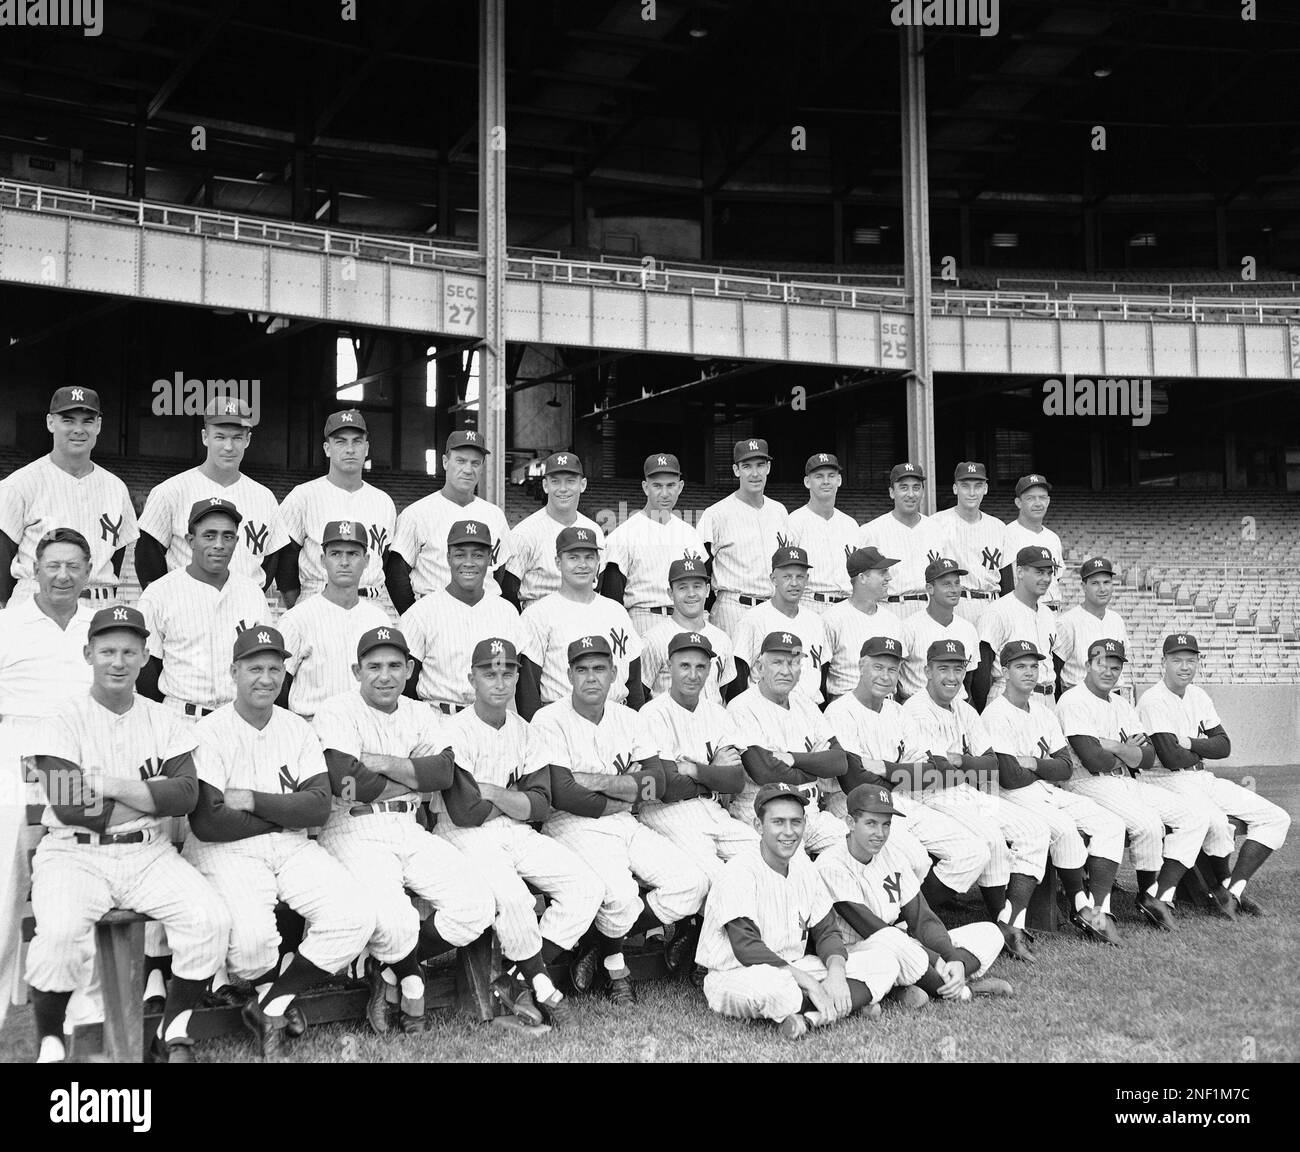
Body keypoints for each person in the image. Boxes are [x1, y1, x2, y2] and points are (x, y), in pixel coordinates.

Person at [24, 604, 230, 1064]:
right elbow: (71, 807)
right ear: (88, 653)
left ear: (144, 657)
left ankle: (172, 1030)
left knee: (209, 918)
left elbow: (185, 796)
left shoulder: (164, 720)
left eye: (129, 652)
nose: (118, 661)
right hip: (73, 855)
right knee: (58, 934)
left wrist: (113, 788)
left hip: (147, 854)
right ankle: (52, 1040)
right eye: (108, 651)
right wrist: (148, 796)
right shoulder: (59, 719)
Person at [183, 625, 374, 1060]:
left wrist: (250, 801)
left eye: (275, 668)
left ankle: (273, 1000)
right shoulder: (209, 730)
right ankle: (264, 987)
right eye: (254, 668)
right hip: (225, 851)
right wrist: (282, 812)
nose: (266, 678)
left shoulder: (297, 728)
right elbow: (209, 821)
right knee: (251, 947)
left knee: (355, 916)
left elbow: (318, 808)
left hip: (289, 848)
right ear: (234, 671)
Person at [311, 626, 496, 1035]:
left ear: (410, 668)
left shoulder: (420, 712)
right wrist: (413, 774)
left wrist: (381, 763)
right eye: (374, 666)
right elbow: (346, 782)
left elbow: (444, 773)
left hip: (407, 826)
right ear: (356, 670)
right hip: (354, 827)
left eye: (395, 665)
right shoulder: (336, 710)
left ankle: (386, 968)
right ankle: (411, 977)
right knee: (397, 922)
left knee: (478, 904)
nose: (385, 675)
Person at [526, 635, 709, 1005]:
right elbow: (564, 794)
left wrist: (598, 783)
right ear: (568, 675)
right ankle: (614, 964)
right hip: (571, 824)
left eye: (599, 669)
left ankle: (600, 941)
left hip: (624, 823)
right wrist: (625, 790)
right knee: (622, 896)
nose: (591, 678)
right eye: (582, 670)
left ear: (613, 674)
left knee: (692, 883)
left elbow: (657, 784)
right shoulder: (549, 719)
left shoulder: (629, 718)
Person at [435, 637, 603, 1028]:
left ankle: (513, 978)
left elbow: (541, 805)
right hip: (461, 835)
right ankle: (543, 987)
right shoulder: (453, 729)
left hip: (514, 831)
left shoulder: (527, 731)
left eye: (507, 672)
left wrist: (492, 792)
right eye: (488, 673)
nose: (499, 681)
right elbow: (465, 811)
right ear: (471, 679)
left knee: (587, 887)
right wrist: (514, 797)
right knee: (512, 899)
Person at [695, 781, 899, 1041]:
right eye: (778, 822)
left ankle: (812, 1015)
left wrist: (836, 975)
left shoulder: (804, 869)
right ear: (759, 826)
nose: (788, 831)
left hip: (794, 967)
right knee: (776, 990)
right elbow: (746, 947)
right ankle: (850, 1002)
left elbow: (827, 932)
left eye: (796, 822)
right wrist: (811, 983)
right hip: (738, 974)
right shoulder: (738, 872)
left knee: (883, 960)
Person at [899, 640, 1051, 962]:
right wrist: (967, 764)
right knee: (992, 839)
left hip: (968, 792)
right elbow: (930, 774)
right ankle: (1003, 929)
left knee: (1035, 828)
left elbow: (991, 766)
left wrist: (960, 762)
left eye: (958, 669)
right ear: (927, 671)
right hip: (927, 796)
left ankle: (1010, 922)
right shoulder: (913, 710)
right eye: (943, 668)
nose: (952, 677)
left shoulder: (965, 709)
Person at [0, 529, 97, 1032]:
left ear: (88, 571)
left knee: (72, 877)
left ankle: (77, 1004)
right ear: (33, 569)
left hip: (73, 763)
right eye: (52, 565)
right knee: (5, 883)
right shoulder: (8, 622)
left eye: (73, 566)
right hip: (14, 760)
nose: (62, 576)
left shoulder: (96, 625)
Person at [823, 636, 993, 907]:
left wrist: (886, 770)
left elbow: (934, 773)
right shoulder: (840, 711)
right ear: (861, 667)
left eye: (892, 669)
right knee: (917, 859)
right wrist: (905, 774)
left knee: (974, 852)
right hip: (853, 807)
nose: (885, 676)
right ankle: (907, 920)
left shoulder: (898, 712)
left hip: (903, 800)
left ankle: (912, 920)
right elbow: (856, 781)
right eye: (878, 667)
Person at [1056, 639, 1212, 934]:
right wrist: (1127, 752)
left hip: (1125, 781)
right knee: (1148, 823)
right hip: (1086, 783)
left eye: (1115, 667)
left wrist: (1114, 746)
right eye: (1101, 664)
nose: (1109, 671)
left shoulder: (1121, 703)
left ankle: (1158, 895)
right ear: (1088, 665)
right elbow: (1093, 760)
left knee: (1195, 816)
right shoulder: (1073, 700)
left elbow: (1147, 758)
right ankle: (1126, 900)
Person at [815, 783, 1013, 1009]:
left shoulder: (892, 853)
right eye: (871, 824)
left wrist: (952, 958)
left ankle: (913, 985)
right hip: (857, 952)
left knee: (990, 933)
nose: (880, 834)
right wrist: (935, 958)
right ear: (850, 823)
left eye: (886, 825)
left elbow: (921, 917)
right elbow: (870, 928)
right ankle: (965, 991)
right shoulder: (831, 864)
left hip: (900, 943)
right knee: (895, 943)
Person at [980, 640, 1127, 945]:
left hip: (1044, 789)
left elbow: (1065, 768)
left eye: (1034, 665)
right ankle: (1079, 905)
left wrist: (1033, 762)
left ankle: (1098, 908)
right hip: (1010, 796)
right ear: (1005, 671)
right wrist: (1044, 766)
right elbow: (1009, 777)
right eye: (1020, 666)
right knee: (1064, 829)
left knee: (1110, 823)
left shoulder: (1044, 712)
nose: (1029, 672)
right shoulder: (995, 714)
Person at [1137, 632, 1290, 918]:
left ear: (1197, 662)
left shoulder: (1198, 695)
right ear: (1164, 663)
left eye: (1190, 660)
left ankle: (1233, 890)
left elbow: (1225, 746)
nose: (1184, 666)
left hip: (1200, 777)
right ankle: (1214, 892)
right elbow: (1170, 758)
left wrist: (1190, 744)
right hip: (1166, 781)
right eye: (1177, 660)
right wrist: (1199, 749)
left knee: (1277, 818)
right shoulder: (1153, 700)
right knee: (1216, 822)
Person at [637, 631, 760, 883]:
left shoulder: (717, 713)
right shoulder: (652, 713)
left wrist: (694, 770)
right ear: (669, 666)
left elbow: (736, 781)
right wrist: (715, 771)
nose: (693, 675)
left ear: (709, 671)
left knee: (764, 858)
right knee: (719, 878)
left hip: (714, 810)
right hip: (668, 814)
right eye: (685, 666)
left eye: (701, 667)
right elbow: (668, 787)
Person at [0, 386, 137, 607]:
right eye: (68, 420)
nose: (78, 429)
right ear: (50, 422)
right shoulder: (20, 484)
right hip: (36, 601)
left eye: (87, 421)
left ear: (99, 426)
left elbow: (120, 560)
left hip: (99, 604)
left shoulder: (116, 487)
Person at [136, 499, 271, 720]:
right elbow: (146, 668)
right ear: (191, 540)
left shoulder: (251, 592)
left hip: (236, 718)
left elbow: (264, 661)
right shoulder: (159, 593)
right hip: (180, 717)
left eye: (227, 536)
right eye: (209, 535)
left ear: (236, 541)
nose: (219, 544)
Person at [135, 398, 286, 592]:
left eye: (237, 438)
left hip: (244, 609)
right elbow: (148, 560)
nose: (229, 447)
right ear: (205, 437)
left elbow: (271, 562)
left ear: (248, 440)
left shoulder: (265, 498)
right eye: (220, 437)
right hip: (185, 605)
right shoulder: (170, 491)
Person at [724, 631, 853, 854]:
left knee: (855, 847)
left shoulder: (806, 705)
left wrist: (793, 759)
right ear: (760, 666)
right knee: (796, 866)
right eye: (777, 662)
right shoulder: (741, 707)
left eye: (793, 662)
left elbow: (840, 761)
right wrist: (815, 765)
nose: (785, 670)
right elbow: (764, 771)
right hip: (763, 814)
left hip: (810, 814)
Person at [398, 520, 524, 715]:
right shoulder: (421, 613)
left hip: (490, 721)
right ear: (448, 558)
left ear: (490, 558)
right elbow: (405, 686)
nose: (468, 562)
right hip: (439, 720)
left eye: (478, 555)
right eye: (459, 555)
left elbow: (515, 679)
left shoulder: (507, 612)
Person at [518, 525, 643, 717]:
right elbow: (527, 687)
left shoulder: (616, 611)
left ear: (598, 562)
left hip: (616, 716)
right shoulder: (538, 614)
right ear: (558, 562)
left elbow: (633, 680)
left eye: (589, 557)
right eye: (573, 557)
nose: (582, 565)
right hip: (560, 720)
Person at [277, 409, 396, 610]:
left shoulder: (383, 501)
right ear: (327, 448)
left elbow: (385, 561)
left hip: (371, 602)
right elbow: (285, 560)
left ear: (366, 448)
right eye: (340, 441)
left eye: (357, 441)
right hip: (317, 597)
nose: (350, 449)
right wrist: (299, 606)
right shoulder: (303, 496)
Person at [386, 429, 515, 614]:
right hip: (435, 611)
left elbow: (500, 572)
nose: (468, 469)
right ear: (445, 462)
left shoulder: (494, 515)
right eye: (460, 461)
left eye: (475, 463)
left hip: (487, 613)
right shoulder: (416, 513)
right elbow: (396, 575)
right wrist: (414, 617)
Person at [276, 520, 391, 720]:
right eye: (335, 553)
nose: (344, 562)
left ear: (366, 561)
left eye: (353, 554)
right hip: (312, 727)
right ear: (323, 560)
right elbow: (278, 687)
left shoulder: (378, 619)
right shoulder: (296, 619)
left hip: (366, 726)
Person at [600, 453, 706, 637]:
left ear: (680, 487)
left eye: (671, 485)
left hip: (686, 621)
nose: (665, 493)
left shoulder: (690, 534)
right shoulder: (623, 536)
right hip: (642, 621)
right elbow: (612, 599)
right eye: (657, 486)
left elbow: (705, 590)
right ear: (645, 487)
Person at [695, 438, 791, 637]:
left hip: (774, 608)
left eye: (760, 465)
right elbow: (701, 569)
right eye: (747, 466)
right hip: (733, 608)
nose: (755, 473)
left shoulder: (779, 511)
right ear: (736, 470)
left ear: (769, 468)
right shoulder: (716, 514)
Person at [729, 546, 830, 706]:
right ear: (774, 579)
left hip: (810, 710)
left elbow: (822, 673)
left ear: (807, 579)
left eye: (800, 576)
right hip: (766, 709)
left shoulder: (815, 621)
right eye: (787, 576)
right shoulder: (753, 619)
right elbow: (738, 676)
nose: (794, 583)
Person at [504, 451, 604, 610]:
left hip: (585, 619)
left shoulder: (594, 530)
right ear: (545, 485)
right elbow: (508, 592)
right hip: (539, 620)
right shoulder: (524, 533)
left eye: (570, 481)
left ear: (582, 484)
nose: (563, 489)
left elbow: (598, 586)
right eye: (555, 481)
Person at [638, 557, 736, 705]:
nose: (691, 593)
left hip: (712, 724)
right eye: (683, 587)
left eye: (697, 586)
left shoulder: (722, 639)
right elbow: (639, 694)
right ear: (670, 593)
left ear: (708, 590)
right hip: (669, 724)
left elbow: (723, 693)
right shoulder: (653, 639)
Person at [972, 545, 1058, 711]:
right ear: (1020, 572)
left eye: (1049, 572)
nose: (1046, 578)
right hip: (1008, 698)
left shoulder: (1048, 614)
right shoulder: (997, 612)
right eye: (1039, 572)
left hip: (1047, 699)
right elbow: (981, 672)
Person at [918, 462, 1002, 627]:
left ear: (985, 489)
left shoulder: (998, 527)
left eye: (978, 486)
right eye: (965, 486)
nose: (972, 492)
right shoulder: (936, 523)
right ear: (955, 488)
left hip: (991, 604)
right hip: (954, 604)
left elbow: (1006, 578)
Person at [821, 547, 905, 702]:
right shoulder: (832, 618)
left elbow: (899, 674)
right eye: (882, 572)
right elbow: (821, 673)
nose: (889, 577)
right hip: (846, 705)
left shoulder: (893, 621)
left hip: (886, 706)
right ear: (862, 577)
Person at [896, 558, 979, 703]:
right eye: (946, 584)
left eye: (957, 583)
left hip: (958, 706)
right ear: (930, 589)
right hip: (917, 706)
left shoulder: (968, 629)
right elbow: (894, 673)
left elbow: (969, 681)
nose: (954, 589)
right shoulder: (909, 627)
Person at [787, 452, 858, 614]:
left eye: (831, 476)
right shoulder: (794, 521)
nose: (826, 481)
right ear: (807, 482)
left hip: (847, 606)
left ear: (839, 480)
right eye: (819, 476)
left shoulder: (850, 524)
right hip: (810, 603)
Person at [858, 462, 931, 620]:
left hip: (928, 609)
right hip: (889, 608)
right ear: (892, 492)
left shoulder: (937, 529)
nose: (911, 494)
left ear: (923, 492)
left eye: (916, 487)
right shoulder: (871, 531)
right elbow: (859, 582)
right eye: (904, 487)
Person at [1052, 557, 1129, 696]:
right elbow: (1054, 670)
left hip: (1113, 696)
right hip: (1078, 696)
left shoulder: (1117, 620)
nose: (1102, 588)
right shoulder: (1067, 622)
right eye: (1095, 583)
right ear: (1083, 586)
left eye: (1107, 582)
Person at [998, 474, 1063, 610]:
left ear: (1048, 501)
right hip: (1023, 609)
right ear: (1018, 502)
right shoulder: (1007, 533)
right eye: (1030, 498)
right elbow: (1005, 581)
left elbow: (1056, 578)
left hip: (1053, 610)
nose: (1038, 503)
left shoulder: (1053, 538)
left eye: (1042, 498)